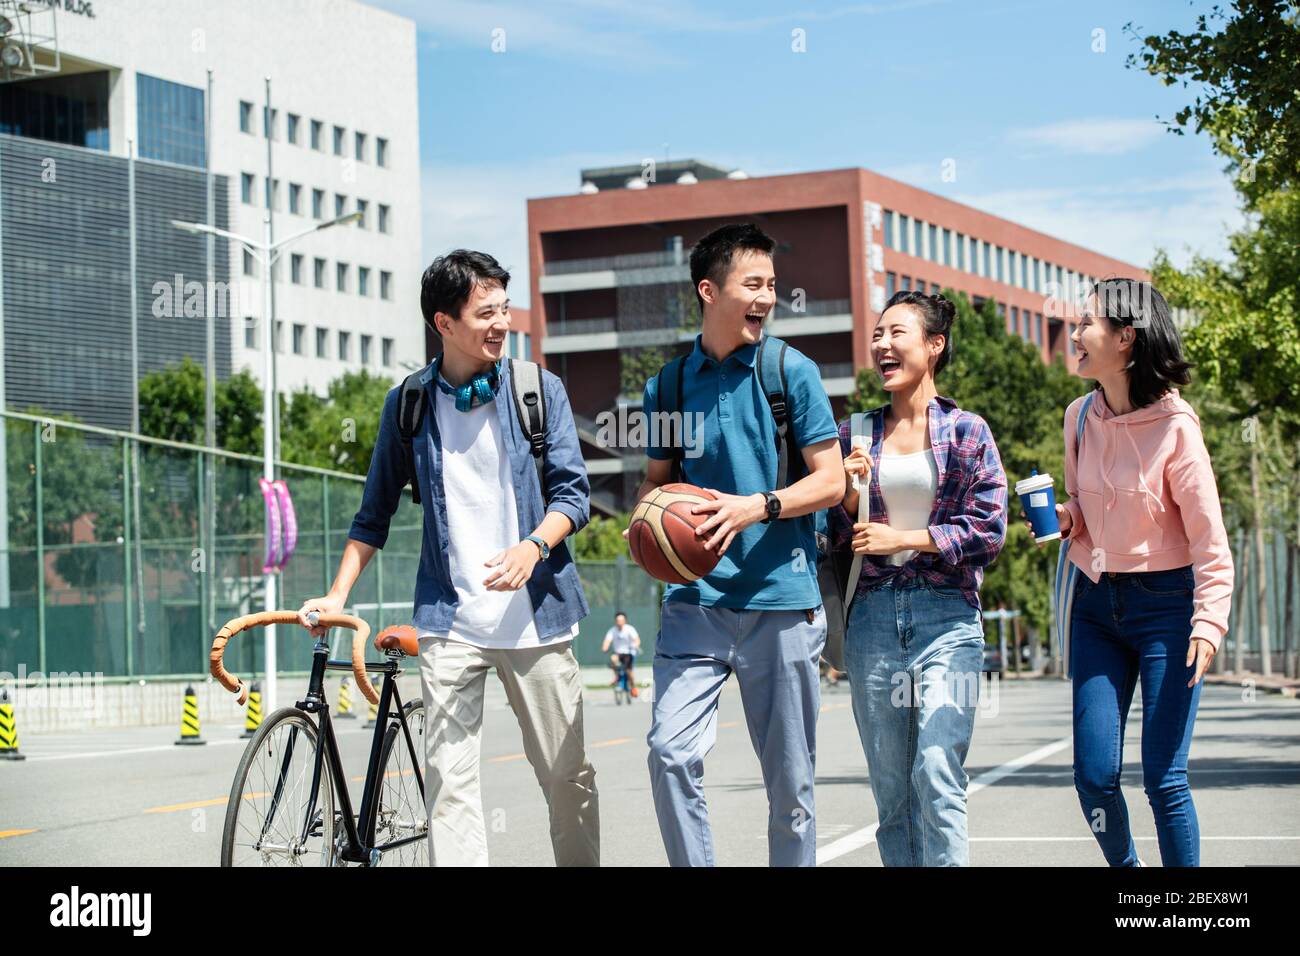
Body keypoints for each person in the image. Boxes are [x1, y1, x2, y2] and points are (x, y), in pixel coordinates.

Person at [298, 249, 599, 867]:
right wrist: (336, 595)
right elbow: (372, 515)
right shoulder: (407, 406)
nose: (501, 323)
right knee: (450, 786)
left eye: (503, 309)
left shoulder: (538, 391)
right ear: (444, 323)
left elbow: (574, 495)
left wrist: (533, 545)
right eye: (485, 312)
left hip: (536, 621)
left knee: (565, 780)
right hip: (450, 622)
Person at [633, 223, 844, 867]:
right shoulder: (666, 386)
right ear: (709, 290)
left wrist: (761, 505)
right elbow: (656, 482)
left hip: (780, 601)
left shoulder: (791, 373)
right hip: (694, 604)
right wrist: (646, 518)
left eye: (773, 286)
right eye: (754, 284)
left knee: (791, 788)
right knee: (670, 754)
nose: (768, 297)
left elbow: (832, 481)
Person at [1037, 278, 1233, 867]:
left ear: (1124, 339)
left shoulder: (1177, 430)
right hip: (1097, 603)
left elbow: (1210, 542)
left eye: (1085, 324)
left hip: (1168, 608)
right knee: (1094, 776)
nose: (1074, 334)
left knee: (1163, 779)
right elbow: (1085, 509)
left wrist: (1209, 623)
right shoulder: (1078, 418)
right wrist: (1067, 518)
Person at [833, 290, 1007, 867]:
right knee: (892, 794)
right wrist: (845, 494)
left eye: (897, 333)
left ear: (934, 346)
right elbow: (830, 544)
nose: (882, 344)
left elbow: (989, 531)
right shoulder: (852, 435)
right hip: (873, 620)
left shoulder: (967, 431)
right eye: (878, 334)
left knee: (937, 769)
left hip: (947, 619)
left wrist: (905, 538)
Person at [601, 611, 641, 696]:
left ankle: (633, 687)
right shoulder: (612, 630)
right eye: (618, 620)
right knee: (613, 658)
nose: (619, 622)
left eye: (621, 620)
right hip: (618, 653)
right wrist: (605, 647)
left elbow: (637, 640)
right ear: (615, 621)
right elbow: (607, 641)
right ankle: (617, 677)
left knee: (629, 672)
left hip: (629, 653)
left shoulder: (630, 629)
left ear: (625, 621)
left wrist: (636, 645)